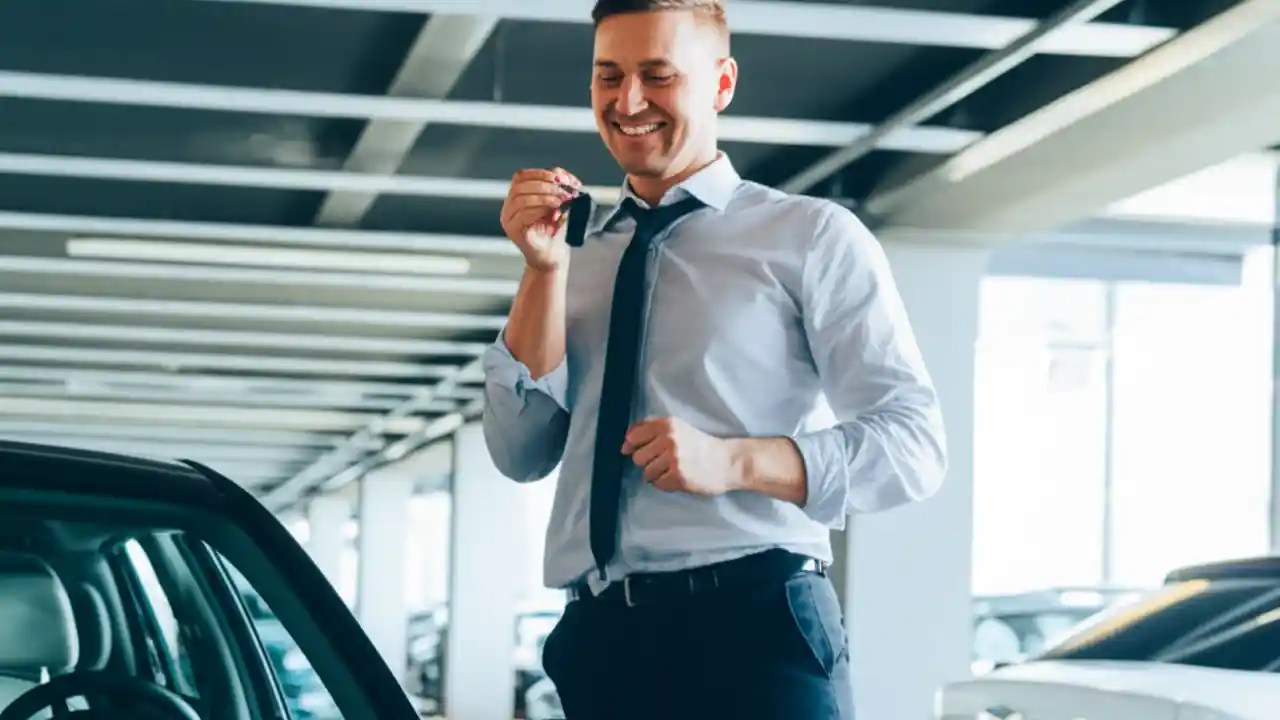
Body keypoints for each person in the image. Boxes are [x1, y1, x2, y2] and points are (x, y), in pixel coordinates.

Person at [481, 0, 947, 717]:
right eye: (608, 77)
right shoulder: (572, 251)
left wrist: (734, 461)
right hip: (600, 641)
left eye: (657, 75)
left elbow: (913, 446)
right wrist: (542, 273)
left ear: (722, 84)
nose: (628, 102)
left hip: (754, 630)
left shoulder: (811, 236)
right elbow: (521, 453)